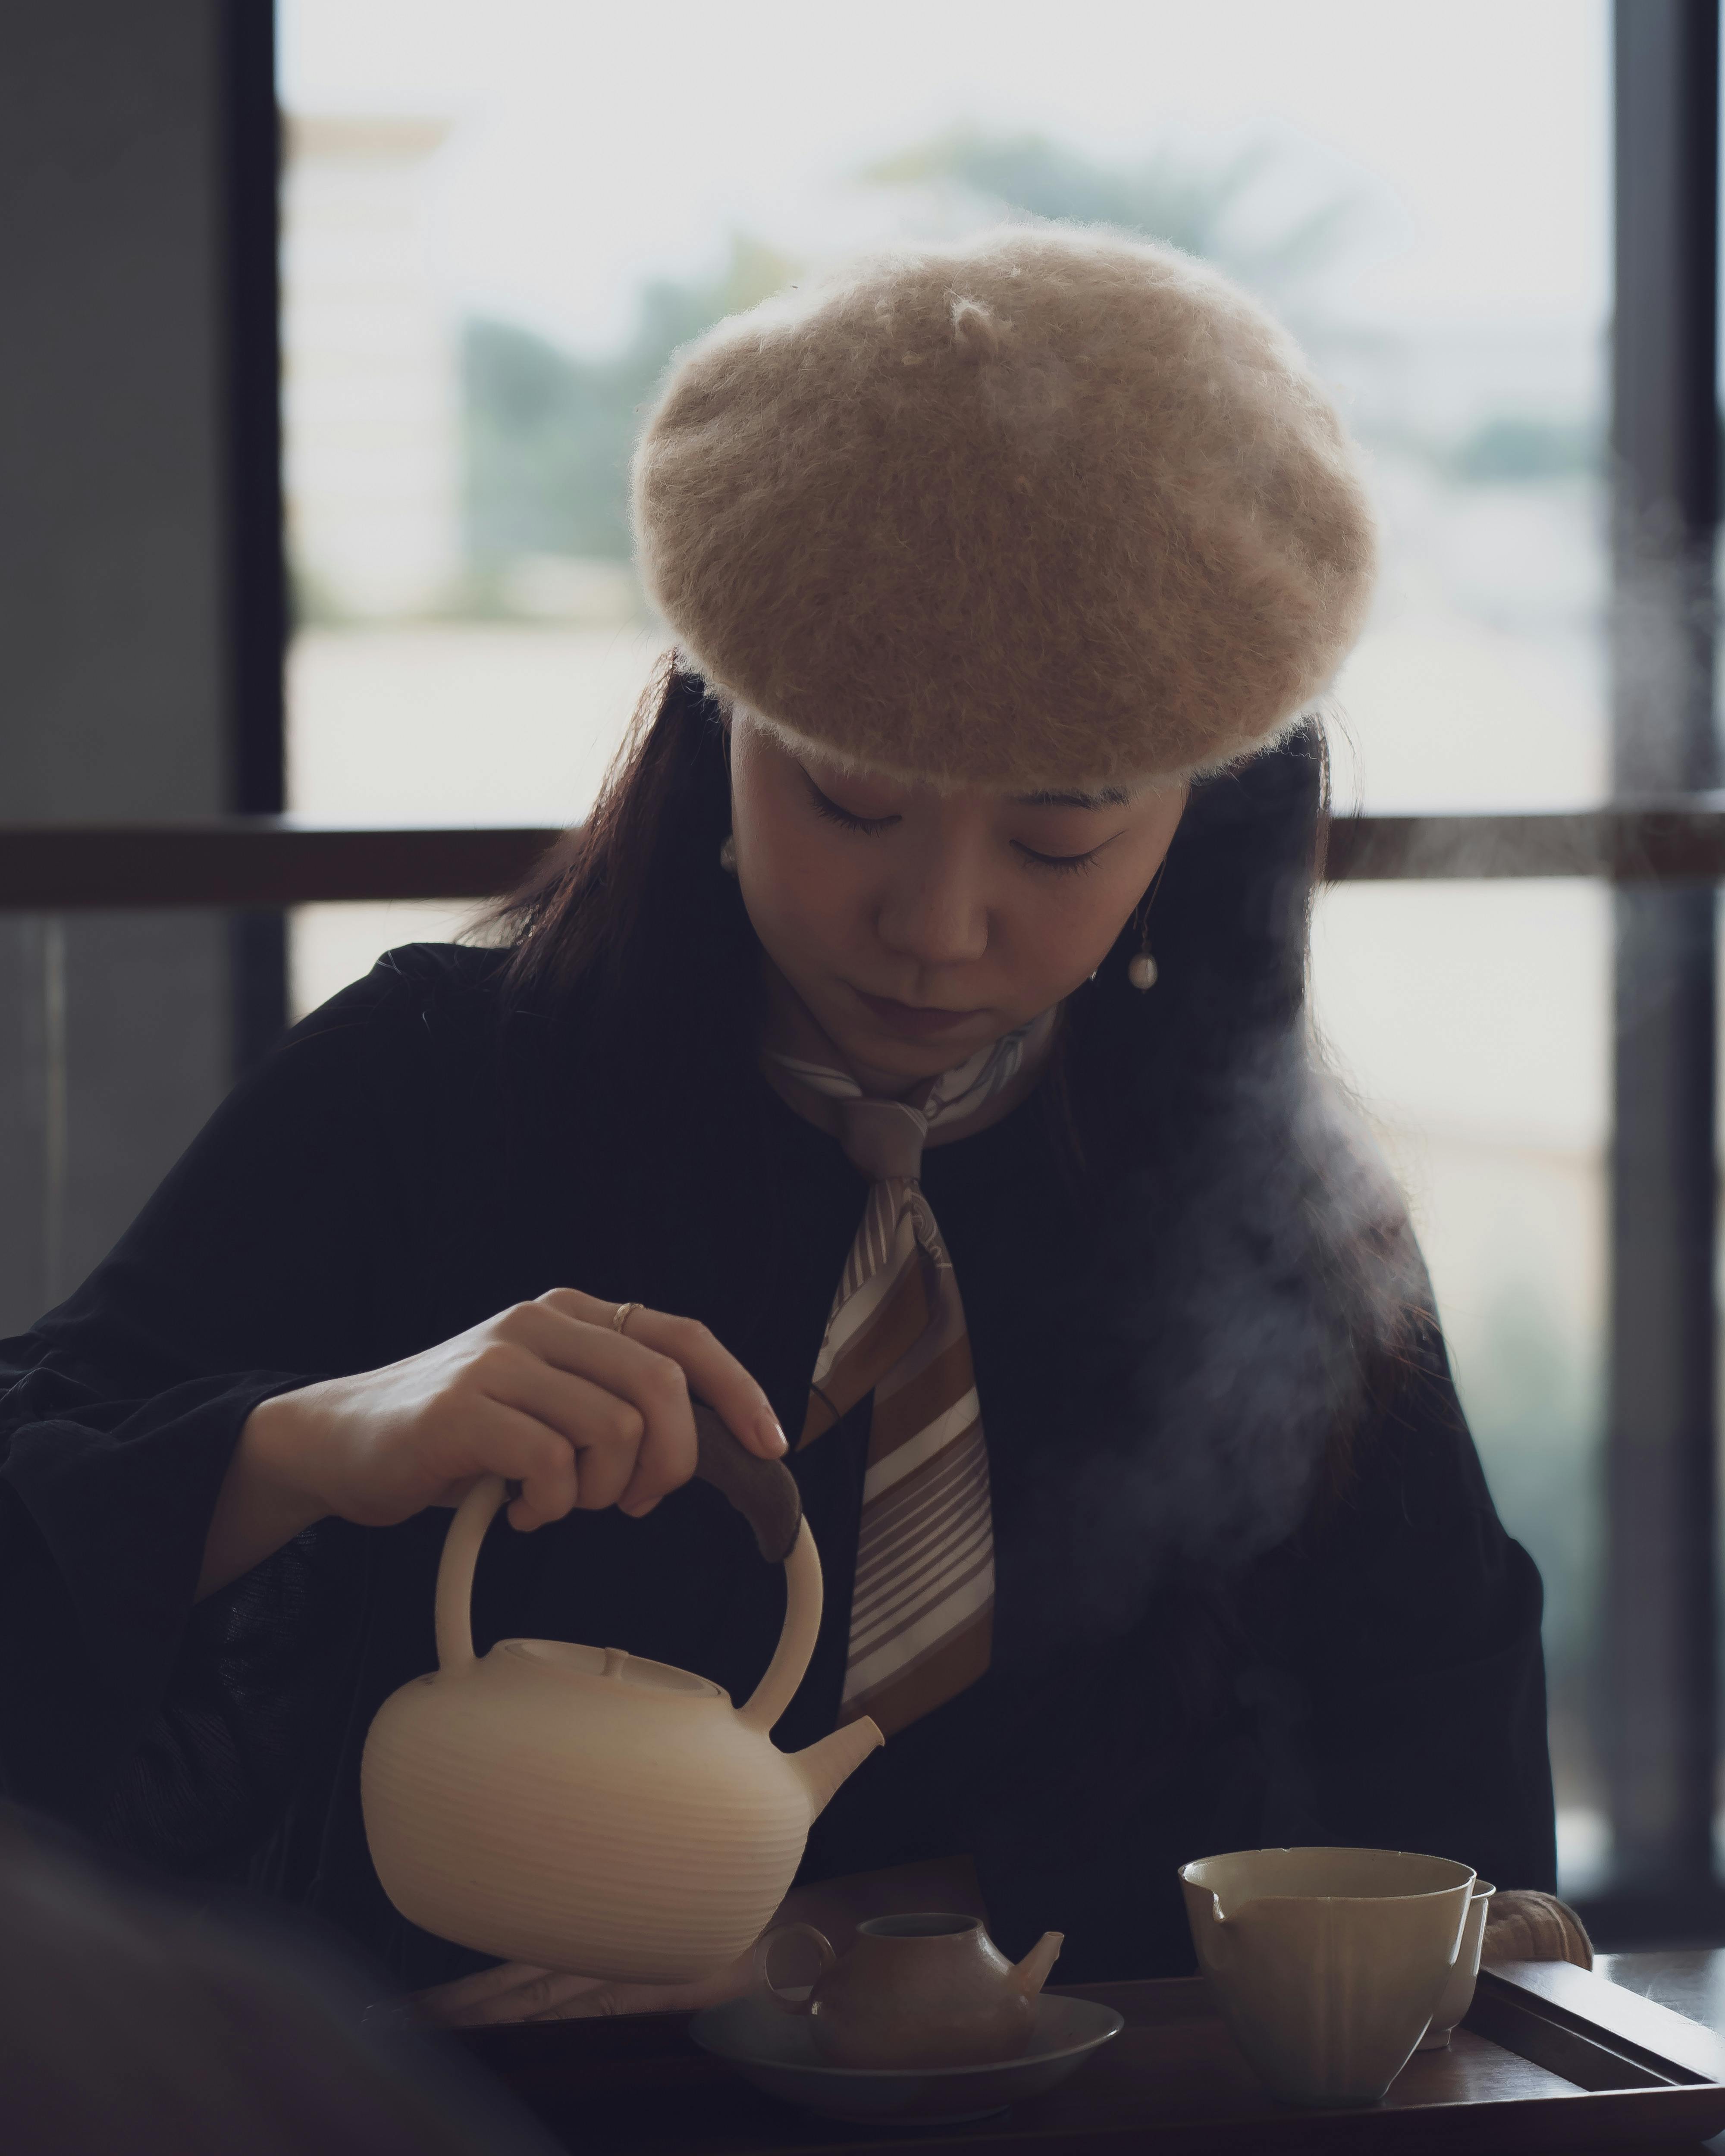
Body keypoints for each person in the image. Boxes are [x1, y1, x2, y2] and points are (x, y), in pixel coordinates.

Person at [0, 226, 1555, 2024]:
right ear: (708, 724)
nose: (938, 922)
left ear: (1202, 814)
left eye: (1057, 839)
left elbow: (1439, 1740)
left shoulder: (1274, 1216)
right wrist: (298, 1445)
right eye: (846, 796)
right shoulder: (430, 1077)